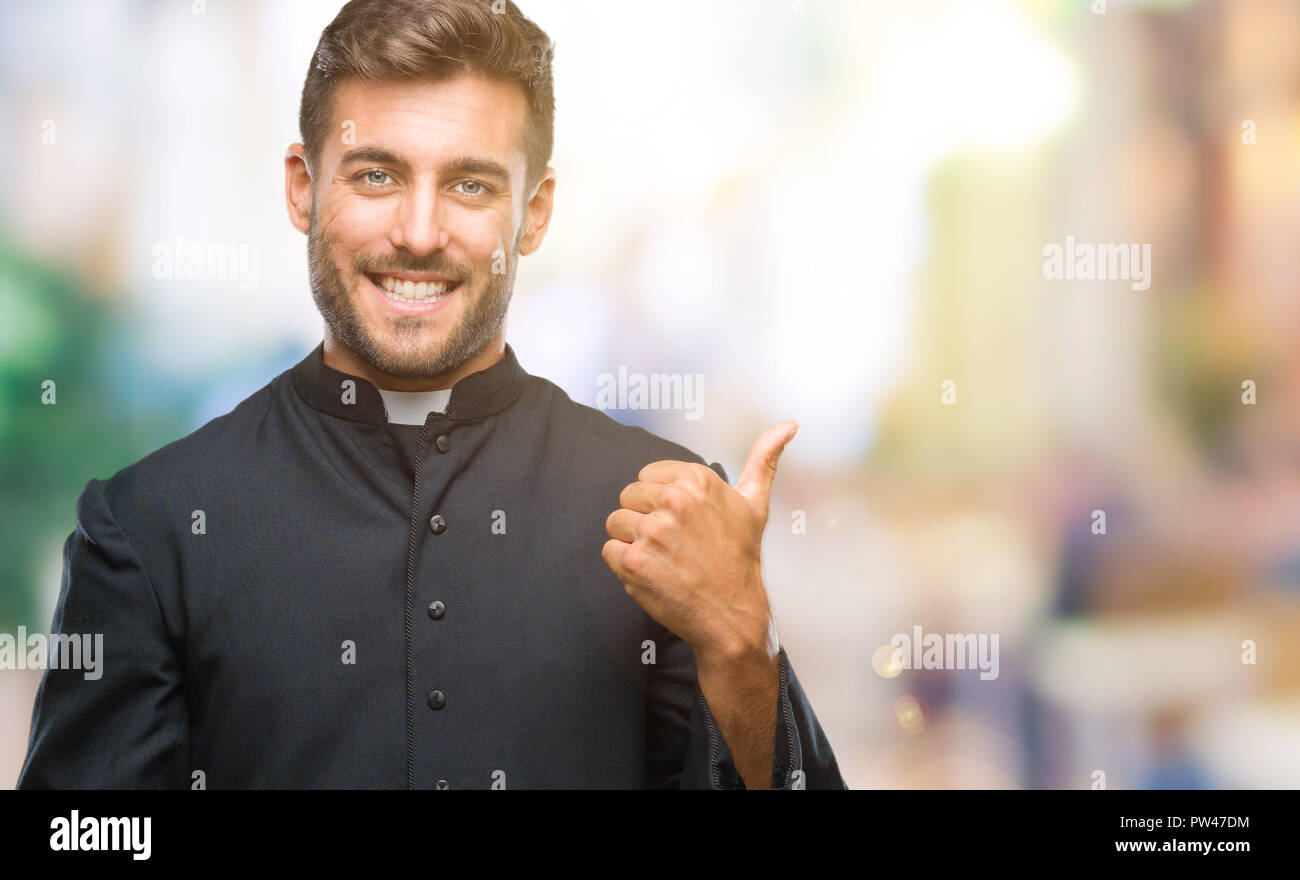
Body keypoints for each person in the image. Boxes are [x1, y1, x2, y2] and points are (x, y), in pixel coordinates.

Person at [19, 0, 843, 789]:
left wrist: (743, 645)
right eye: (376, 175)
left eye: (471, 186)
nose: (418, 232)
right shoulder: (150, 528)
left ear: (535, 212)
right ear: (303, 188)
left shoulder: (664, 508)